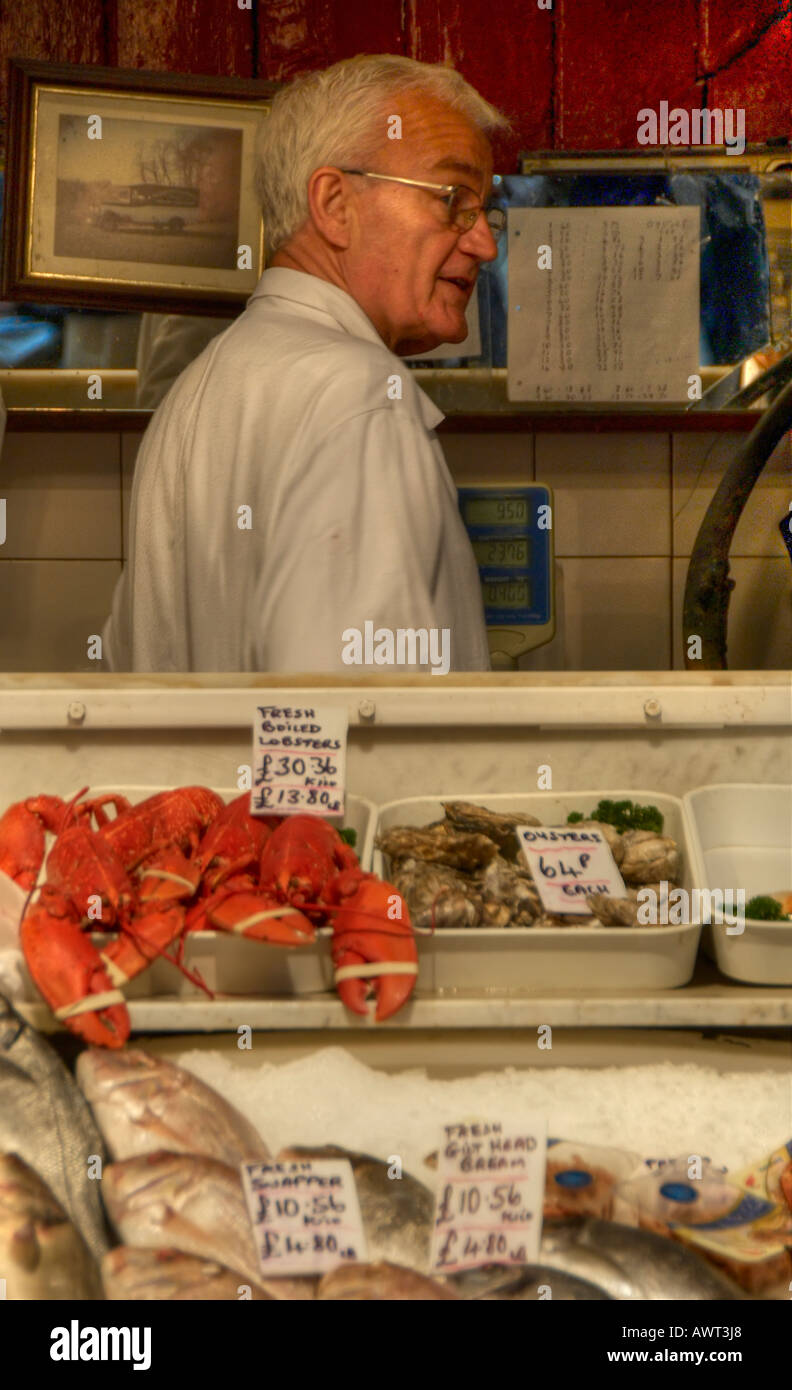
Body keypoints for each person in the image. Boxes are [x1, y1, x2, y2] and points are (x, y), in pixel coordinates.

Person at [102, 54, 508, 672]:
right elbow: (352, 719)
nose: (485, 242)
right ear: (335, 203)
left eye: (484, 210)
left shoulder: (202, 385)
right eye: (454, 200)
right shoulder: (361, 396)